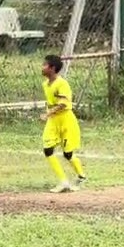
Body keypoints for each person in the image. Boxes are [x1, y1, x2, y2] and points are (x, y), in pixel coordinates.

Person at [41, 54, 88, 193]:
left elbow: (63, 104)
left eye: (45, 65)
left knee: (68, 153)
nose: (42, 68)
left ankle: (81, 176)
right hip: (53, 121)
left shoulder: (62, 84)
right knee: (48, 149)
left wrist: (48, 114)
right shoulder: (45, 84)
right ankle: (63, 181)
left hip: (66, 120)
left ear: (52, 68)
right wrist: (49, 114)